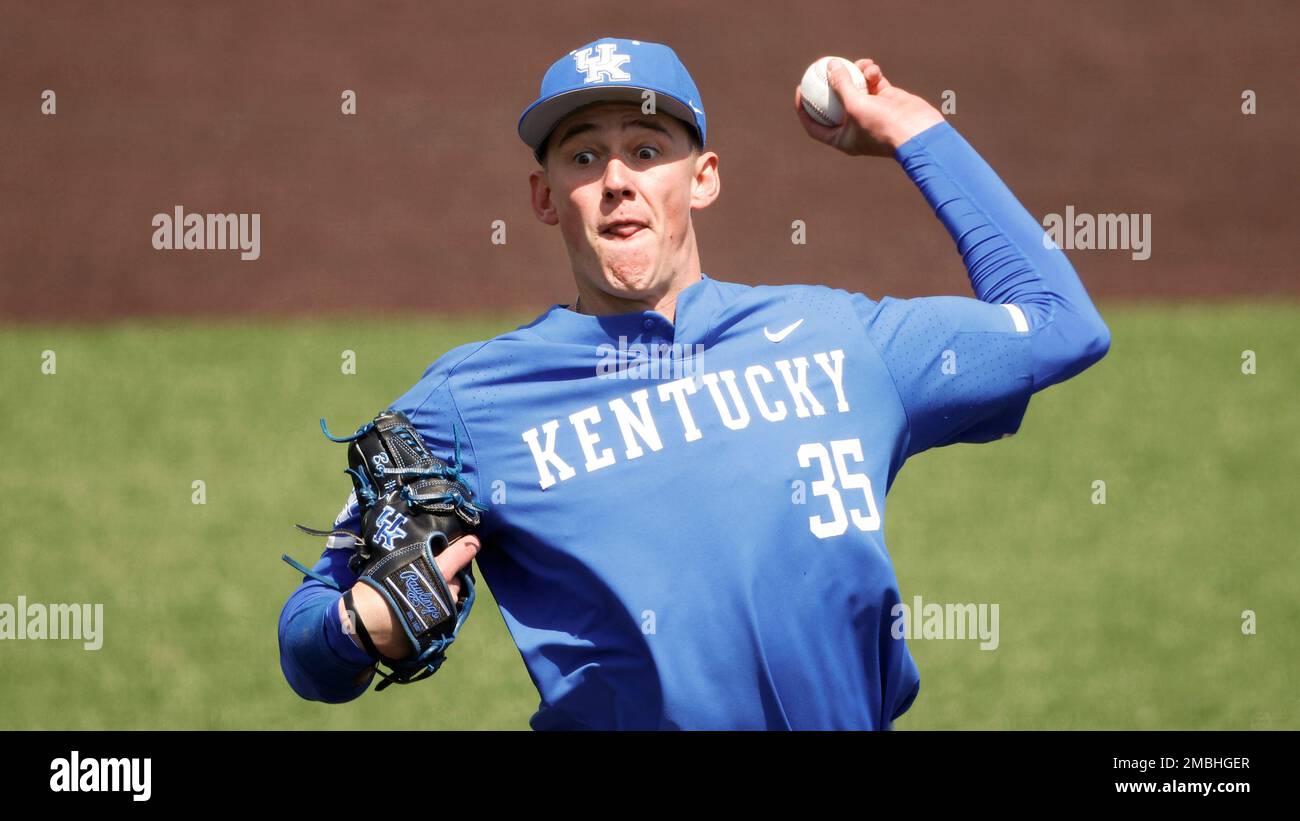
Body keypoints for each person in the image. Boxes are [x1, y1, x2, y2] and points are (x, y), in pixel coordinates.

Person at [277, 36, 1110, 729]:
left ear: (702, 177)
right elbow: (304, 646)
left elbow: (1061, 323)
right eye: (583, 155)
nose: (616, 179)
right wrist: (357, 627)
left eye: (646, 151)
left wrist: (913, 130)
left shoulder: (841, 339)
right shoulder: (467, 405)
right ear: (544, 197)